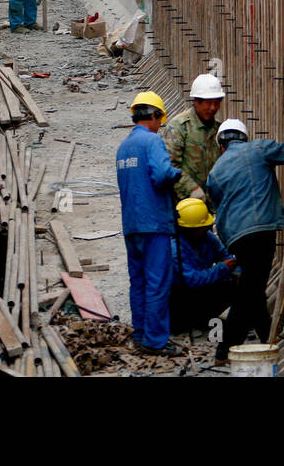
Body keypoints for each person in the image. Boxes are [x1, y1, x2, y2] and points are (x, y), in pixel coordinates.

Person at [205, 118, 284, 363]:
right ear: (243, 138)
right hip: (262, 230)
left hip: (235, 237)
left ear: (221, 145)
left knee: (253, 286)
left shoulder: (215, 172)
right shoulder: (260, 149)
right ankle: (226, 349)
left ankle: (268, 338)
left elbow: (216, 206)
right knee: (250, 290)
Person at [116, 90, 184, 357]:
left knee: (139, 281)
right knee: (158, 282)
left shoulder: (124, 147)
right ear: (155, 116)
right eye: (160, 118)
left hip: (131, 225)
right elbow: (161, 175)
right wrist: (177, 173)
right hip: (154, 223)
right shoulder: (152, 142)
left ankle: (141, 333)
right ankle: (156, 341)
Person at [169, 198, 238, 336]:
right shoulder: (175, 249)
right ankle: (191, 322)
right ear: (189, 229)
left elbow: (224, 255)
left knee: (233, 283)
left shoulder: (207, 237)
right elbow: (191, 281)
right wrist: (222, 268)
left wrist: (234, 268)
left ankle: (202, 319)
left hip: (200, 290)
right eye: (203, 228)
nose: (207, 229)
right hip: (180, 299)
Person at [162, 73, 225, 202]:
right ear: (196, 102)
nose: (213, 108)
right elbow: (170, 166)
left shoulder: (220, 129)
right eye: (208, 103)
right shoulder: (179, 127)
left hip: (214, 203)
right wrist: (191, 189)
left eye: (217, 103)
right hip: (186, 204)